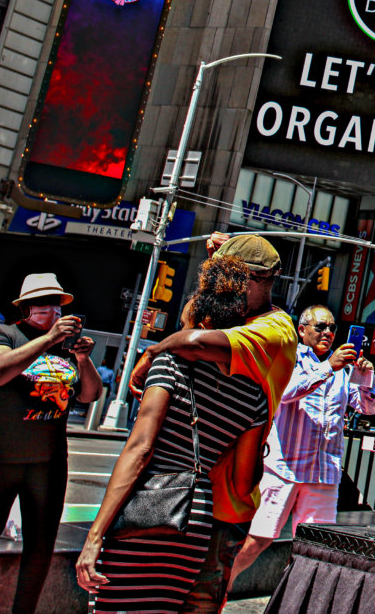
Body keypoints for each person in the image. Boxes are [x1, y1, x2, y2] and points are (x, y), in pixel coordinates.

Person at [75, 254, 270, 612]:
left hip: (149, 507)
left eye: (182, 325)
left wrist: (95, 534)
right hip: (195, 519)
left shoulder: (170, 365)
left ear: (198, 326)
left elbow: (140, 449)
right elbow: (244, 482)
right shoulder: (254, 393)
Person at [126, 233, 298, 613]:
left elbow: (197, 343)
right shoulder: (231, 312)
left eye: (230, 280)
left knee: (197, 603)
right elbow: (192, 322)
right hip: (171, 489)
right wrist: (211, 281)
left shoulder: (276, 329)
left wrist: (154, 349)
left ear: (255, 282)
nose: (224, 288)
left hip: (221, 507)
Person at [0, 273, 103, 614]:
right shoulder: (3, 334)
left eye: (56, 305)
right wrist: (48, 339)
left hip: (47, 462)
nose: (51, 311)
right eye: (42, 305)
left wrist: (83, 359)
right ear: (26, 308)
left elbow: (90, 394)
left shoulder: (66, 348)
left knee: (40, 545)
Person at [228, 306, 375, 584]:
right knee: (258, 539)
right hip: (284, 469)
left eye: (332, 328)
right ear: (302, 330)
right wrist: (327, 368)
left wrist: (366, 378)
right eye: (320, 326)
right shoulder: (291, 357)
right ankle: (218, 590)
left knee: (312, 551)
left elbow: (368, 408)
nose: (328, 333)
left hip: (323, 475)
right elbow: (285, 393)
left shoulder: (344, 369)